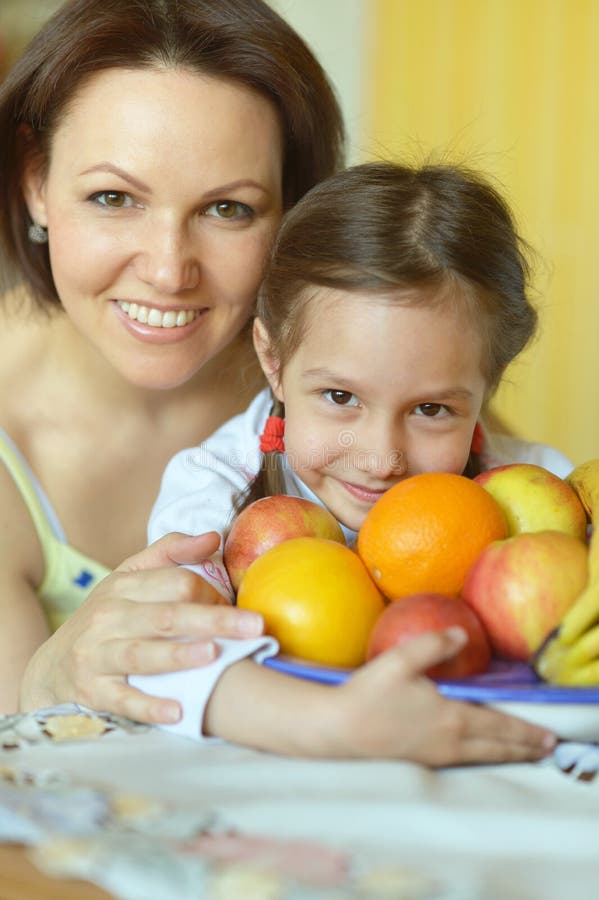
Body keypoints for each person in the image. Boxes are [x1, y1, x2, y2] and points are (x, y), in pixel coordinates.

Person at [132, 160, 570, 766]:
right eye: (341, 397)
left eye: (433, 409)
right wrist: (333, 723)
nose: (381, 459)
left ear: (487, 386)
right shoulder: (213, 496)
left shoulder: (547, 498)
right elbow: (160, 656)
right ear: (274, 359)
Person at [0, 0, 345, 719]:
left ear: (293, 211)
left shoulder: (336, 374)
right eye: (113, 197)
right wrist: (47, 678)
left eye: (227, 210)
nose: (167, 270)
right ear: (36, 183)